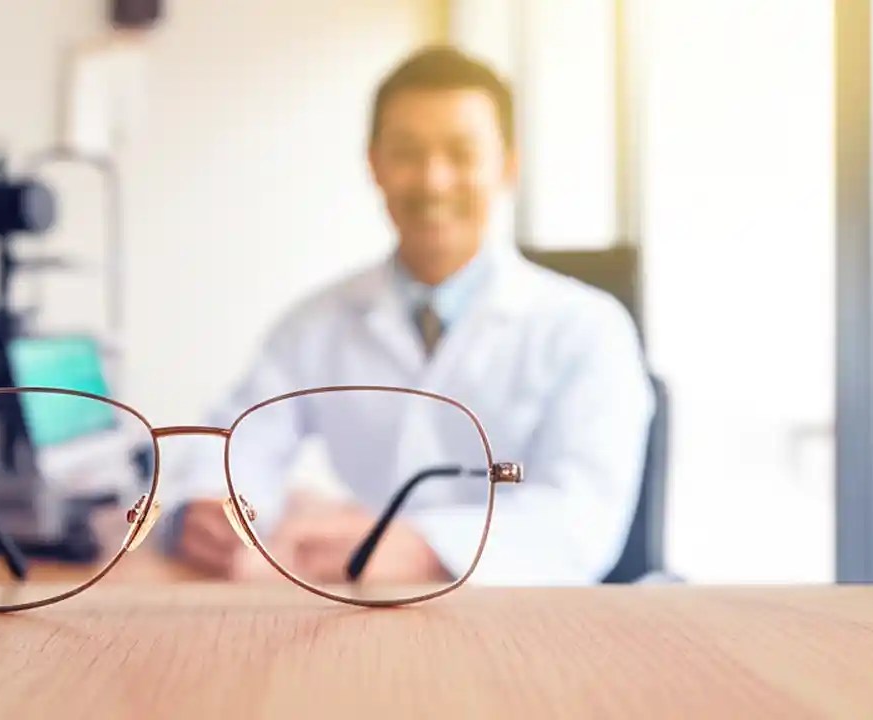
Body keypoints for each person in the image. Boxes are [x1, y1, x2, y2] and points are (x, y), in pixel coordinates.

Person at [166, 46, 654, 586]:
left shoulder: (587, 328)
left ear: (509, 166)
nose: (434, 181)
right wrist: (213, 502)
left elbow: (581, 517)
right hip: (353, 608)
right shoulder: (316, 323)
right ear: (374, 164)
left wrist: (426, 548)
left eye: (461, 153)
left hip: (525, 616)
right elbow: (242, 437)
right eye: (407, 153)